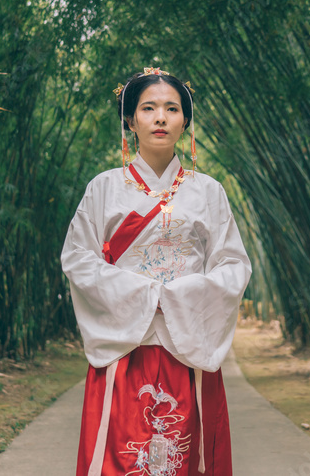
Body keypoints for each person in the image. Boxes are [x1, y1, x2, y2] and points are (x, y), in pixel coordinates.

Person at [61, 67, 252, 476]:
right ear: (130, 121)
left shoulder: (209, 192)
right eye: (148, 108)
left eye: (172, 108)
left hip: (188, 353)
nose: (161, 118)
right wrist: (147, 294)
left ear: (186, 120)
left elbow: (234, 265)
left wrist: (182, 296)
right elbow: (78, 258)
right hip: (124, 350)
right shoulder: (103, 188)